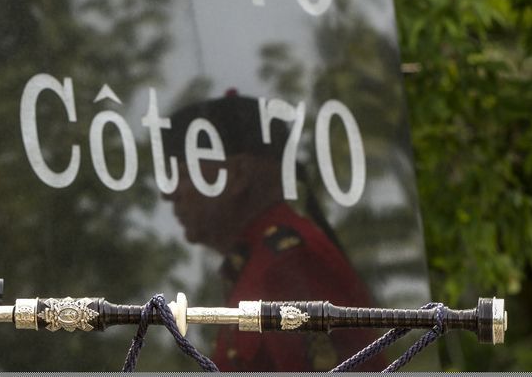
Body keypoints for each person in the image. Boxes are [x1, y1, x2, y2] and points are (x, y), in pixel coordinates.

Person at [164, 91, 383, 371]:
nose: (170, 194)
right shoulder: (259, 263)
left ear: (238, 175)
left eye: (184, 173)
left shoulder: (289, 263)